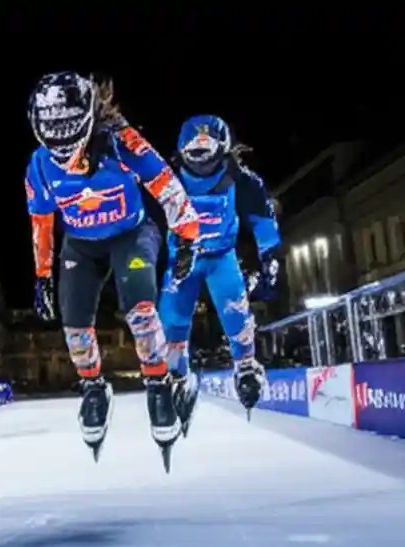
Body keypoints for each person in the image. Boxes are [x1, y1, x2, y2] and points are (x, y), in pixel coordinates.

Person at [24, 71, 201, 469]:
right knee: (74, 325)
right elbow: (41, 222)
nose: (63, 152)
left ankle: (158, 382)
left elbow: (167, 186)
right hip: (82, 246)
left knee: (140, 309)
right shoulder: (38, 167)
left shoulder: (122, 143)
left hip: (131, 234)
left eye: (70, 136)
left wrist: (188, 237)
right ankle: (93, 386)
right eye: (52, 138)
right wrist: (42, 275)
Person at [161, 114, 282, 426]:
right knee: (173, 320)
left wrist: (269, 259)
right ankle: (178, 375)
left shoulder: (243, 181)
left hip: (220, 256)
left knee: (235, 313)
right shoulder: (166, 180)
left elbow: (263, 222)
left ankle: (245, 365)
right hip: (182, 259)